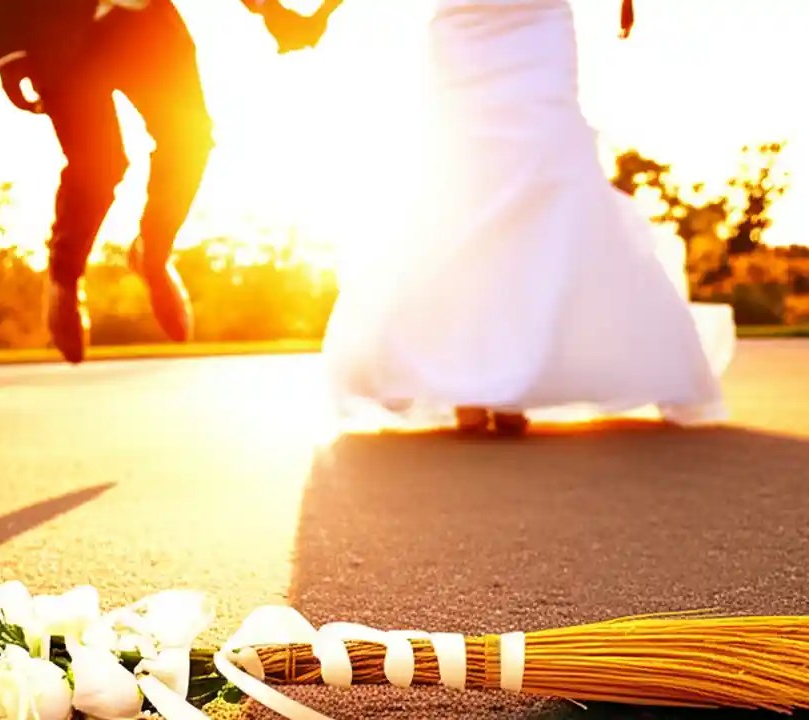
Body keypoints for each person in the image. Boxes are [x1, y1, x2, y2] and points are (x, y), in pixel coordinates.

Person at [258, 0, 736, 435]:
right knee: (467, 178)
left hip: (538, 18)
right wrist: (322, 11)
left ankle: (512, 382)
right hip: (465, 24)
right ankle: (469, 380)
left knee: (548, 168)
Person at [0, 0, 299, 363]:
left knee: (189, 138)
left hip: (145, 23)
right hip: (59, 31)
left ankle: (153, 253)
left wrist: (271, 9)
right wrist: (8, 51)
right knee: (98, 164)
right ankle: (64, 279)